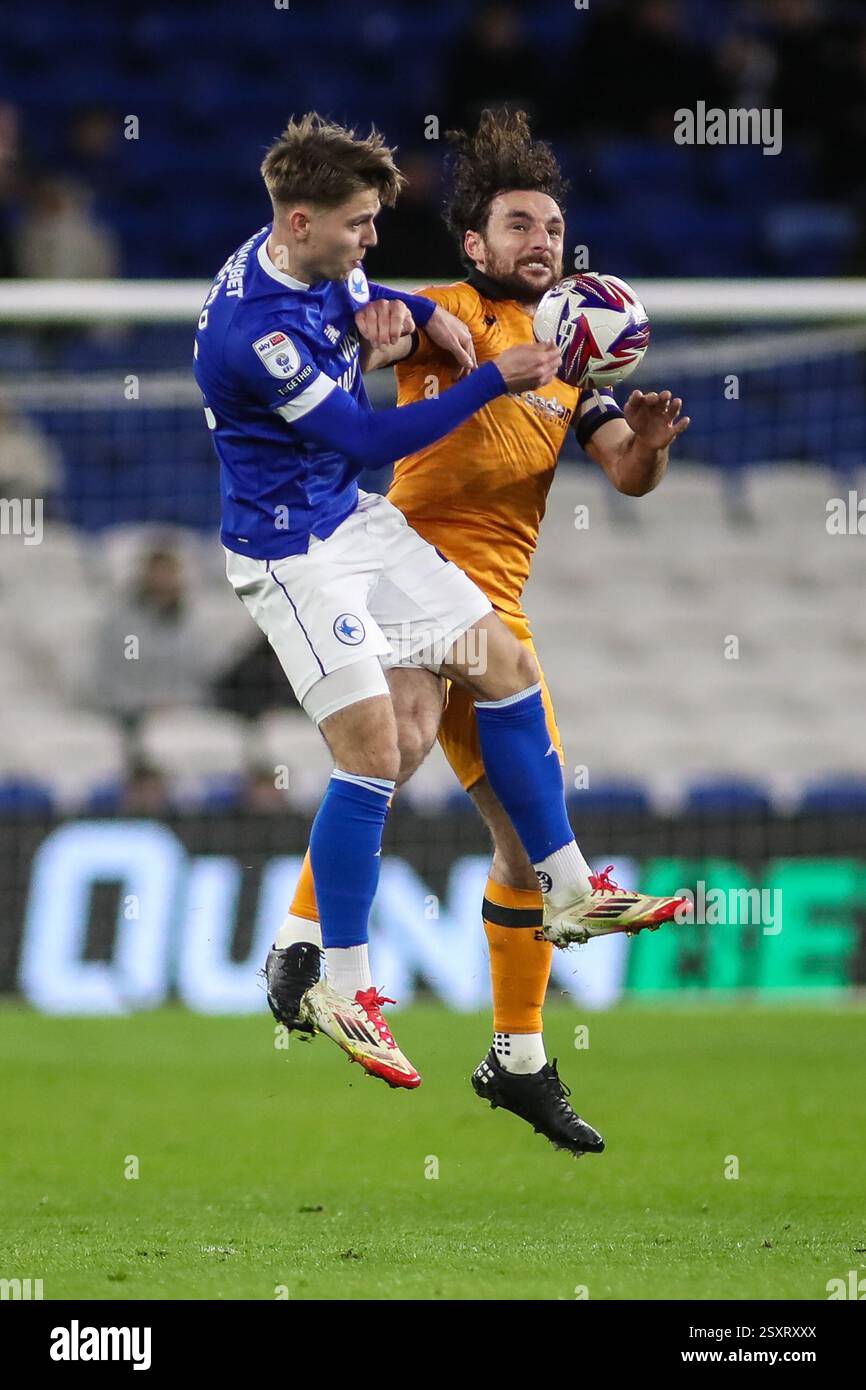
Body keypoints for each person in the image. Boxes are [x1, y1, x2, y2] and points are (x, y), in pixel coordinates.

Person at [194, 112, 685, 1122]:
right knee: (386, 744)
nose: (540, 242)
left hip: (409, 555)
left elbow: (624, 474)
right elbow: (371, 425)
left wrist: (644, 440)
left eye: (552, 226)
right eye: (517, 224)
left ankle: (509, 991)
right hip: (327, 547)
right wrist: (446, 341)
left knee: (469, 734)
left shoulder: (560, 350)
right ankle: (335, 971)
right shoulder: (410, 311)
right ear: (475, 245)